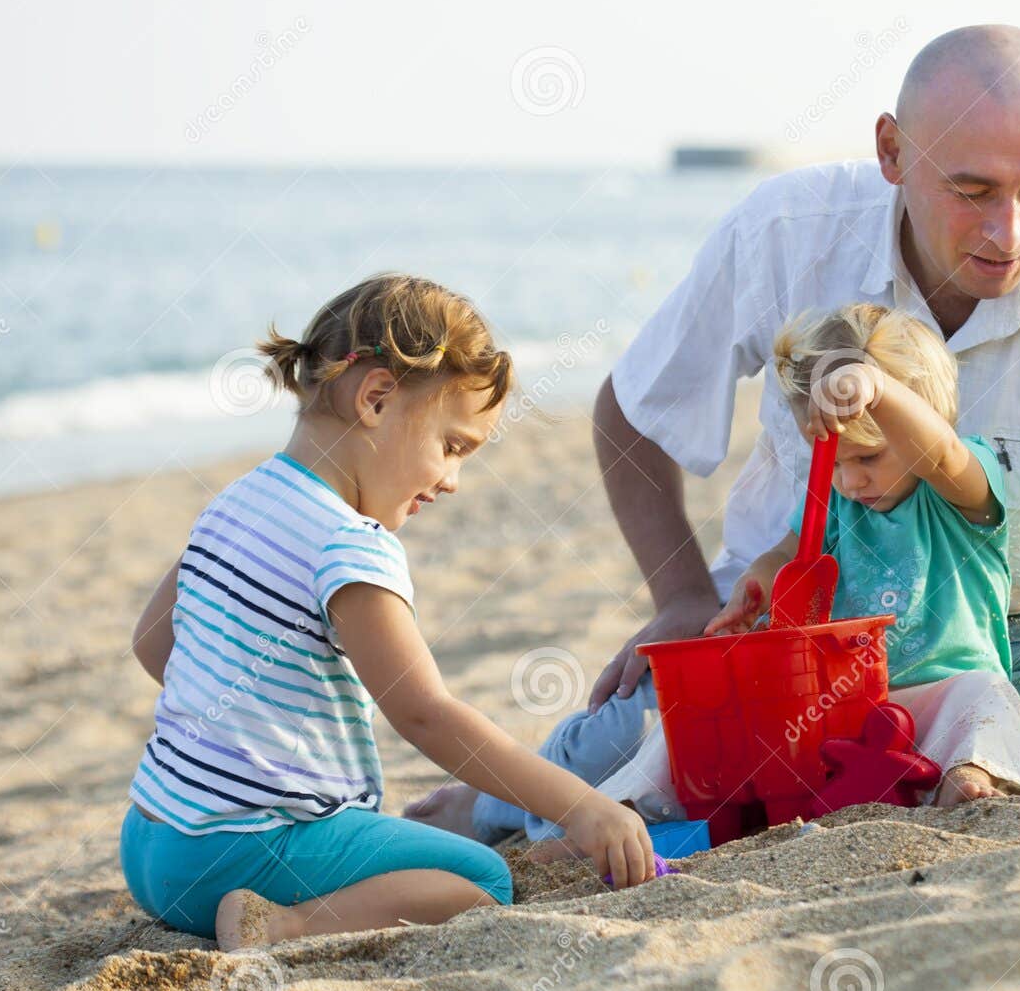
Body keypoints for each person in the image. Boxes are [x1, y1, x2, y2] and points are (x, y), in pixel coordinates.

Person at [412, 24, 1020, 844]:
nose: (1008, 234)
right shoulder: (785, 230)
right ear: (892, 151)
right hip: (797, 640)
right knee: (641, 734)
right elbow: (631, 410)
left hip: (1016, 642)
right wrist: (679, 594)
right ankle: (486, 802)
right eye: (971, 189)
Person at [123, 273, 656, 951]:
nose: (453, 479)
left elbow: (151, 642)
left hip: (150, 841)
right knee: (480, 878)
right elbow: (424, 713)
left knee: (407, 846)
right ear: (375, 398)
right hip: (239, 851)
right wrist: (580, 804)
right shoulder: (350, 541)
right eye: (453, 445)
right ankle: (282, 923)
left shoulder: (233, 502)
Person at [595, 303, 1020, 821]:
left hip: (936, 697)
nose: (849, 481)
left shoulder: (957, 487)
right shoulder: (834, 500)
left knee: (987, 695)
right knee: (693, 719)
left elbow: (939, 452)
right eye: (832, 459)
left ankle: (970, 774)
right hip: (842, 707)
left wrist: (875, 390)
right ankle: (623, 806)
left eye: (868, 458)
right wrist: (757, 584)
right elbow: (787, 553)